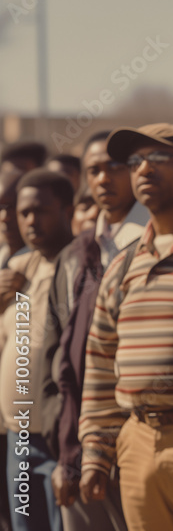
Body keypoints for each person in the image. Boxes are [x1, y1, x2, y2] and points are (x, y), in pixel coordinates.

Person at [77, 123, 173, 531]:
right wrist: (97, 453)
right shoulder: (123, 265)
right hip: (135, 442)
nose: (144, 169)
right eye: (135, 161)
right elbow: (101, 364)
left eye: (159, 158)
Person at [46, 130, 139, 531]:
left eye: (114, 167)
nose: (103, 178)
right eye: (93, 170)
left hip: (139, 437)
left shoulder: (156, 243)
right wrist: (67, 451)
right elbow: (61, 359)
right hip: (79, 444)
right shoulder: (75, 253)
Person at [0, 170, 74, 531]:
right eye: (24, 212)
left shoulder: (80, 266)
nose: (31, 220)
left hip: (60, 438)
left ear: (67, 210)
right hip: (19, 437)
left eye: (41, 210)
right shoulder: (17, 270)